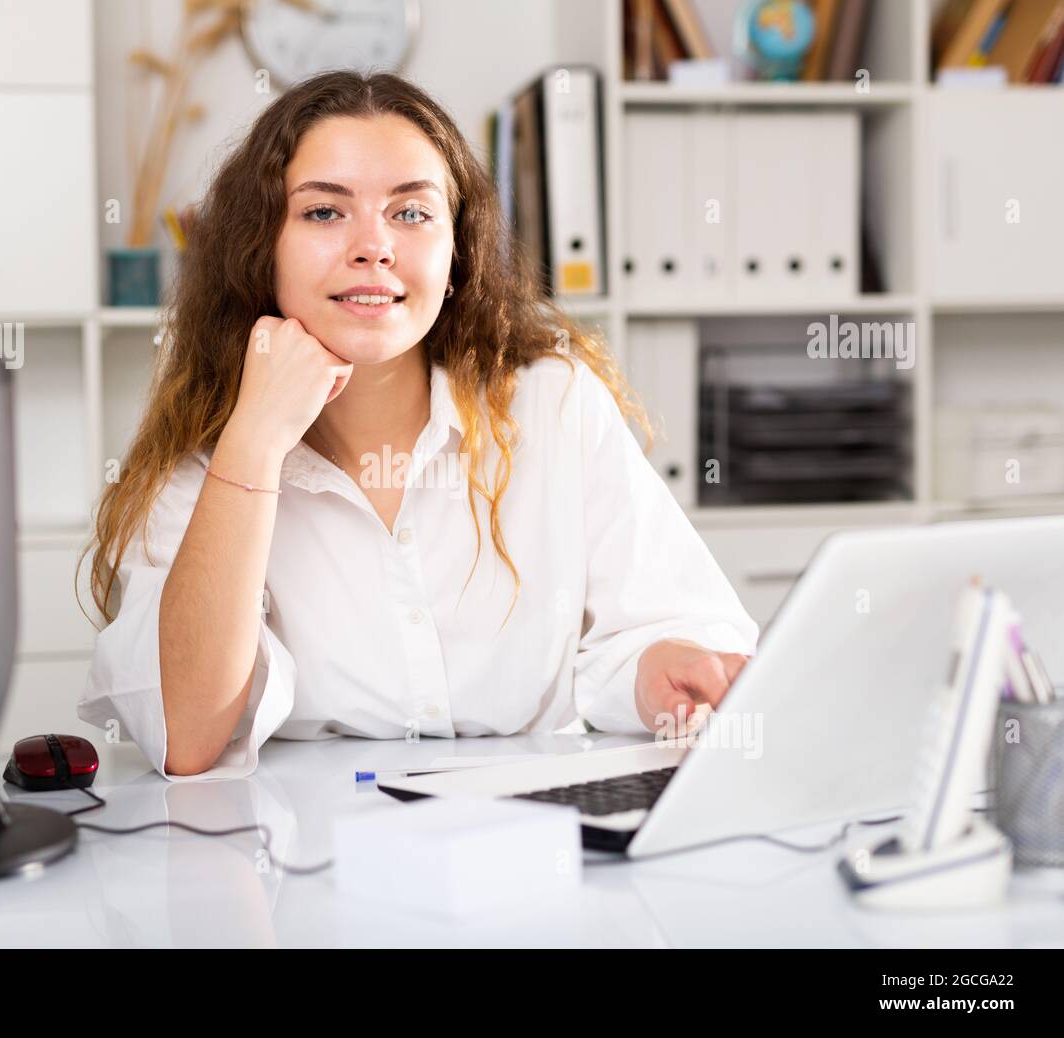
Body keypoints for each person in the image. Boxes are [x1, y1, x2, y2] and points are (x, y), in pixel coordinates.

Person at [77, 70, 758, 781]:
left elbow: (672, 622)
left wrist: (658, 672)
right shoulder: (208, 455)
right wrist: (255, 440)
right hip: (305, 867)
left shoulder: (553, 403)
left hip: (527, 852)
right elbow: (185, 733)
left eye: (411, 213)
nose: (374, 248)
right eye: (323, 213)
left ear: (457, 253)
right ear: (261, 248)